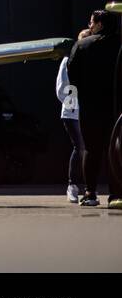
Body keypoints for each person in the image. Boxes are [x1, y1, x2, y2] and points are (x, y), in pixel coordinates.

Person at [66, 7, 122, 208]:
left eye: (91, 22)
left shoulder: (82, 46)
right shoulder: (119, 46)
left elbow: (73, 76)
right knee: (116, 150)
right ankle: (117, 193)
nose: (89, 26)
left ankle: (90, 193)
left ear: (99, 24)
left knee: (91, 149)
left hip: (91, 106)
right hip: (117, 109)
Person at [56, 54, 85, 203]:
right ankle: (72, 186)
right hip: (72, 114)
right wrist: (73, 107)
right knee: (79, 147)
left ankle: (89, 188)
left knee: (88, 149)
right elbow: (61, 89)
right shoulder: (68, 61)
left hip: (88, 112)